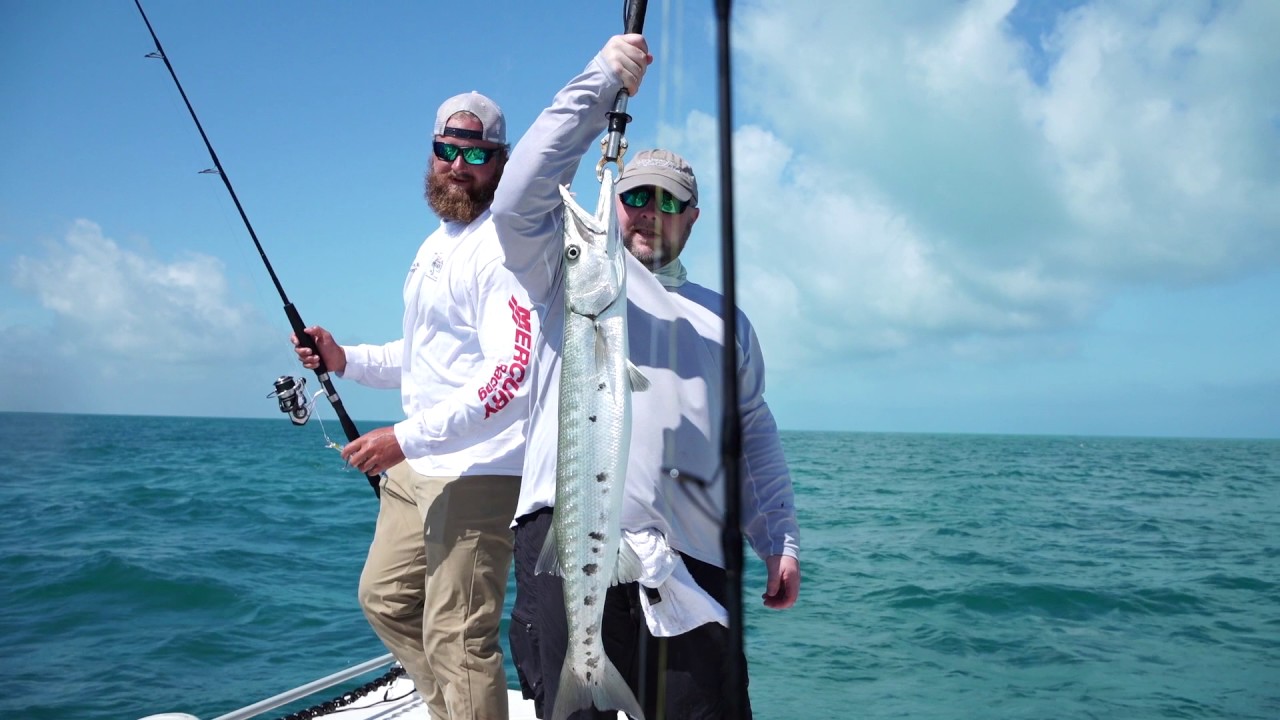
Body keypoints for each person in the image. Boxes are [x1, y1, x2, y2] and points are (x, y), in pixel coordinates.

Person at [490, 35, 801, 719]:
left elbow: (752, 433)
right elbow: (516, 202)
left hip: (691, 560)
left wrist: (778, 536)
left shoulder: (726, 321)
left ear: (693, 217)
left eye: (668, 201)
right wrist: (600, 81)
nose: (649, 212)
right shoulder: (561, 277)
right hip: (568, 542)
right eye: (635, 196)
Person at [292, 91, 535, 720]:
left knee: (459, 638)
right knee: (386, 600)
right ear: (431, 154)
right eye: (446, 151)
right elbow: (427, 355)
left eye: (475, 155)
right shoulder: (436, 243)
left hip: (480, 469)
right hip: (420, 465)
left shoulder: (502, 248)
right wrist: (345, 358)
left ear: (501, 162)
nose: (458, 165)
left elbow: (509, 376)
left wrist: (402, 438)